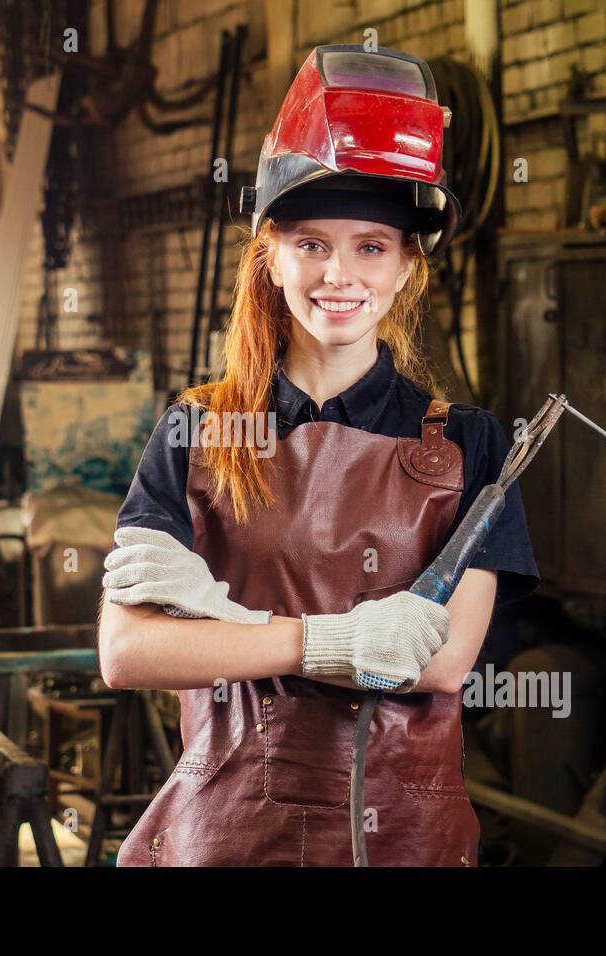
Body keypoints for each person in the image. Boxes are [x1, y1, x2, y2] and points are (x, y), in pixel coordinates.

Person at [98, 44, 539, 866]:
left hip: (406, 840)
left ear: (409, 265)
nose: (340, 274)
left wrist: (227, 627)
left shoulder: (474, 446)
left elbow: (440, 662)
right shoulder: (195, 433)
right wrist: (338, 644)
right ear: (269, 256)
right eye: (310, 244)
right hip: (226, 832)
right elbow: (129, 652)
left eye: (371, 246)